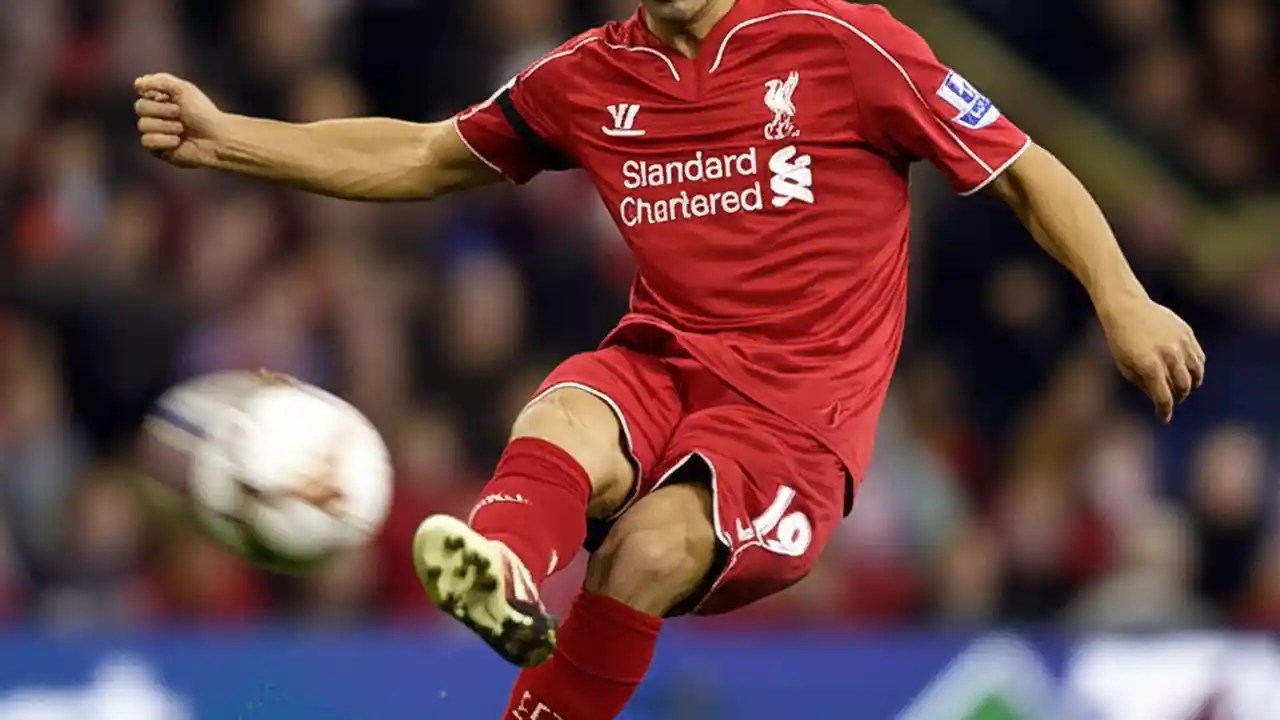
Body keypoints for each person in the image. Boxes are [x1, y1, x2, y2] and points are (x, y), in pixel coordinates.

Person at [133, 0, 1206, 717]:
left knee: (642, 553)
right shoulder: (587, 76)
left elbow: (1021, 167)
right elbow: (422, 153)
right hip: (661, 363)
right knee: (564, 407)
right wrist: (229, 138)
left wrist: (1121, 298)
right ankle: (504, 564)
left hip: (794, 425)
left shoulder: (843, 42)